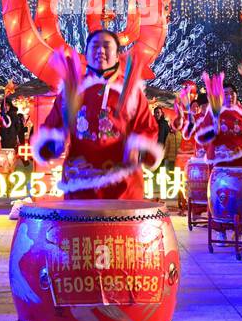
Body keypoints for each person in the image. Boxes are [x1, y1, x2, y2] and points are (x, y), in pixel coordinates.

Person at [31, 30, 162, 200]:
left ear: (117, 56)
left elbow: (146, 127)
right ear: (86, 54)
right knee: (79, 227)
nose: (100, 51)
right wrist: (53, 143)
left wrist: (139, 148)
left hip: (122, 185)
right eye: (95, 47)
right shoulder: (72, 90)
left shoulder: (131, 92)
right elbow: (52, 126)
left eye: (107, 47)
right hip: (79, 182)